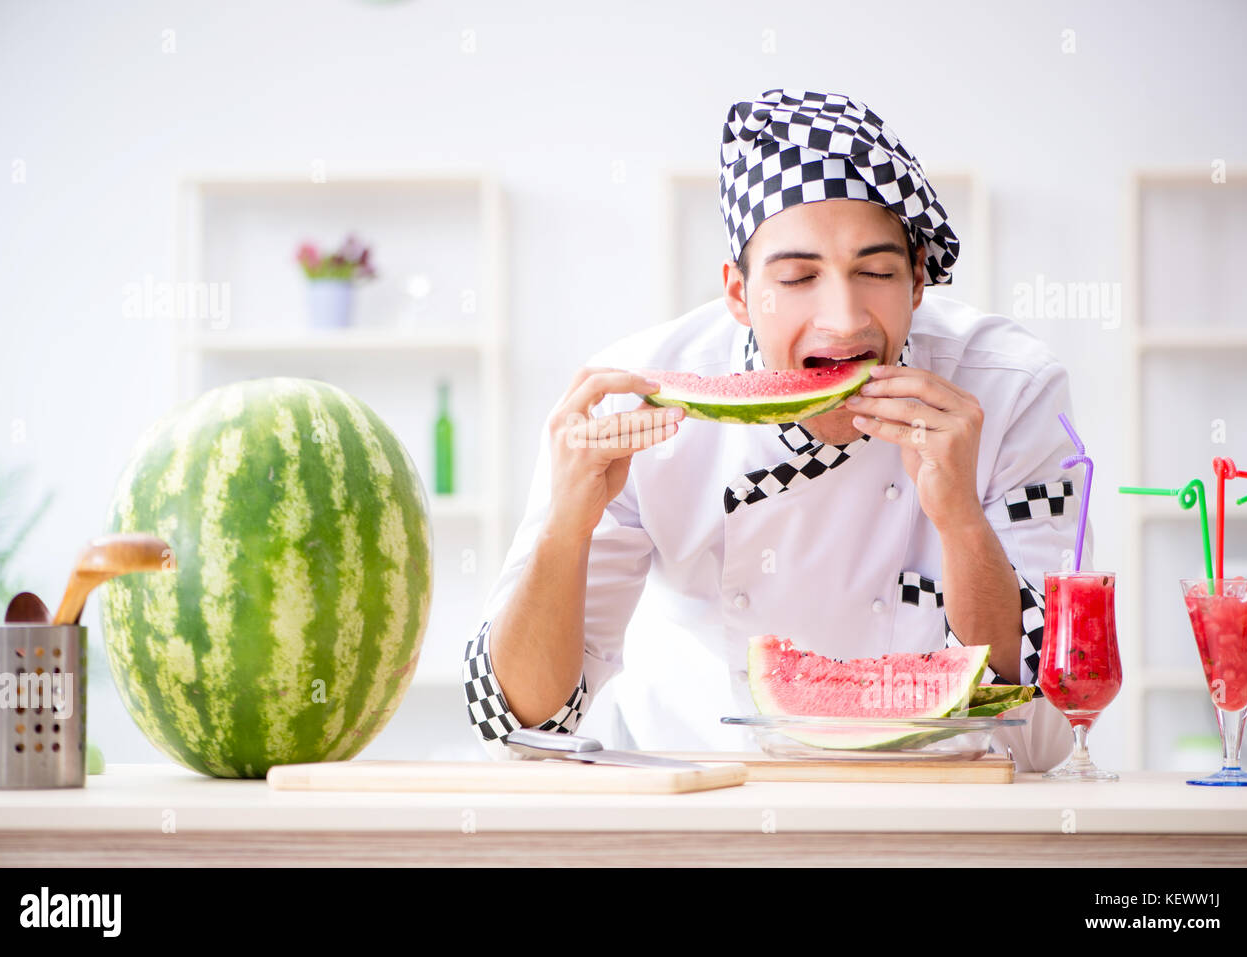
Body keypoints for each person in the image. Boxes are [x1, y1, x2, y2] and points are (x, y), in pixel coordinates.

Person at [463, 89, 1085, 772]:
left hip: (928, 809)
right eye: (798, 277)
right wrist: (565, 525)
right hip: (700, 801)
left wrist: (962, 521)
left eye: (876, 271)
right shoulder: (635, 399)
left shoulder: (1009, 390)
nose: (843, 320)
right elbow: (518, 725)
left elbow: (1042, 732)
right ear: (737, 292)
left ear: (916, 283)